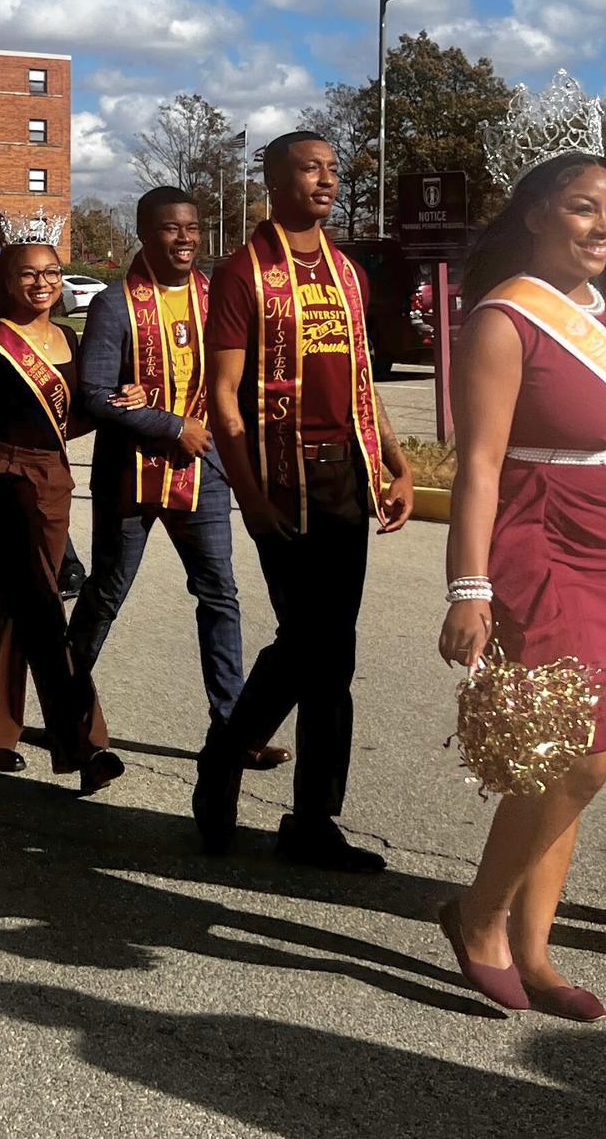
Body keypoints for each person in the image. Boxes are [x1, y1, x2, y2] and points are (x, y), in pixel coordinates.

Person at [432, 116, 606, 1019]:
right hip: (537, 534)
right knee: (586, 753)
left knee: (561, 757)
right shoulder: (506, 319)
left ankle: (534, 951)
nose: (604, 226)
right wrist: (468, 586)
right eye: (583, 208)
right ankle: (479, 916)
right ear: (535, 217)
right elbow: (476, 463)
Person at [191, 131, 416, 872]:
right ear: (276, 183)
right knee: (309, 641)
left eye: (331, 170)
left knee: (332, 652)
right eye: (309, 170)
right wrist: (249, 497)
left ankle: (311, 817)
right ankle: (229, 750)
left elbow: (359, 377)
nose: (326, 181)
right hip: (283, 479)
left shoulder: (347, 272)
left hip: (345, 474)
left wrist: (393, 455)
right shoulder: (243, 274)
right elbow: (223, 399)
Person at [67, 187, 255, 762]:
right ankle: (63, 708)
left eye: (193, 228)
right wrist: (172, 425)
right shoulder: (115, 304)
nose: (185, 239)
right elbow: (96, 394)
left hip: (204, 475)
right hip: (131, 476)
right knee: (105, 594)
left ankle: (233, 728)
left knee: (219, 594)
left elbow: (240, 382)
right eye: (172, 229)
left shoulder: (218, 297)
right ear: (147, 234)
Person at [0, 240, 126, 792]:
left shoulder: (67, 338)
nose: (42, 283)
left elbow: (66, 422)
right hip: (7, 477)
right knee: (43, 606)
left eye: (51, 273)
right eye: (28, 275)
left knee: (25, 606)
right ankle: (86, 742)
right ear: (6, 283)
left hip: (55, 477)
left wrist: (120, 403)